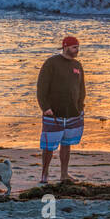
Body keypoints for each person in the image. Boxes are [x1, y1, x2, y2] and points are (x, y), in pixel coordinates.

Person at [37, 35, 85, 183]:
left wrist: (80, 106)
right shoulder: (51, 63)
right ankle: (44, 175)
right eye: (74, 47)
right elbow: (41, 87)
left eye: (77, 47)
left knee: (67, 144)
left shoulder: (77, 65)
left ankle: (64, 174)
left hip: (72, 113)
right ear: (65, 47)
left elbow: (81, 88)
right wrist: (45, 108)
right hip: (53, 113)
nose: (76, 50)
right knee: (49, 146)